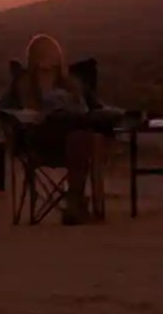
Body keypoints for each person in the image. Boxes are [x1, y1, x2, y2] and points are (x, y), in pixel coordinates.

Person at [18, 34, 107, 225]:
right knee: (85, 137)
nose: (47, 59)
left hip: (72, 134)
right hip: (42, 138)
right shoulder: (27, 85)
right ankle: (78, 203)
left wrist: (65, 101)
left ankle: (75, 203)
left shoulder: (70, 83)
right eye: (42, 55)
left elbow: (83, 109)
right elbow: (22, 112)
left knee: (81, 135)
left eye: (51, 54)